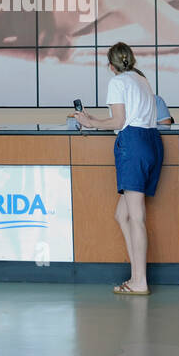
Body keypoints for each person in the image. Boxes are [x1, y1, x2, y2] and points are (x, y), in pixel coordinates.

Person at [71, 42, 163, 296]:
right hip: (152, 142)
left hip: (132, 144)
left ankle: (140, 282)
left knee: (136, 217)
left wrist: (91, 123)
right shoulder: (142, 80)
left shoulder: (117, 82)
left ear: (110, 65)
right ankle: (136, 276)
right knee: (121, 215)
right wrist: (93, 121)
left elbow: (120, 121)